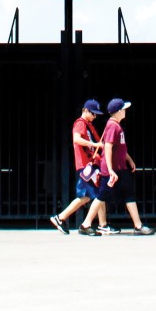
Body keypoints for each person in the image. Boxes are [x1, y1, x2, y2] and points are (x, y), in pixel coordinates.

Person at [98, 98, 156, 235]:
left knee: (123, 194)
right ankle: (86, 224)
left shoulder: (116, 125)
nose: (125, 111)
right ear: (118, 111)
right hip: (115, 169)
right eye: (123, 109)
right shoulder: (113, 125)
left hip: (120, 168)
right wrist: (111, 169)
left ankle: (138, 225)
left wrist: (129, 160)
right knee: (101, 196)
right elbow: (108, 147)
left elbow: (121, 149)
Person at [48, 100, 106, 234]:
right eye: (93, 113)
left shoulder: (88, 125)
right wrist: (96, 144)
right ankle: (62, 218)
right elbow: (76, 139)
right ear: (85, 110)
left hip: (89, 165)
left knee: (95, 193)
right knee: (92, 196)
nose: (95, 117)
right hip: (86, 166)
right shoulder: (80, 123)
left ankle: (102, 224)